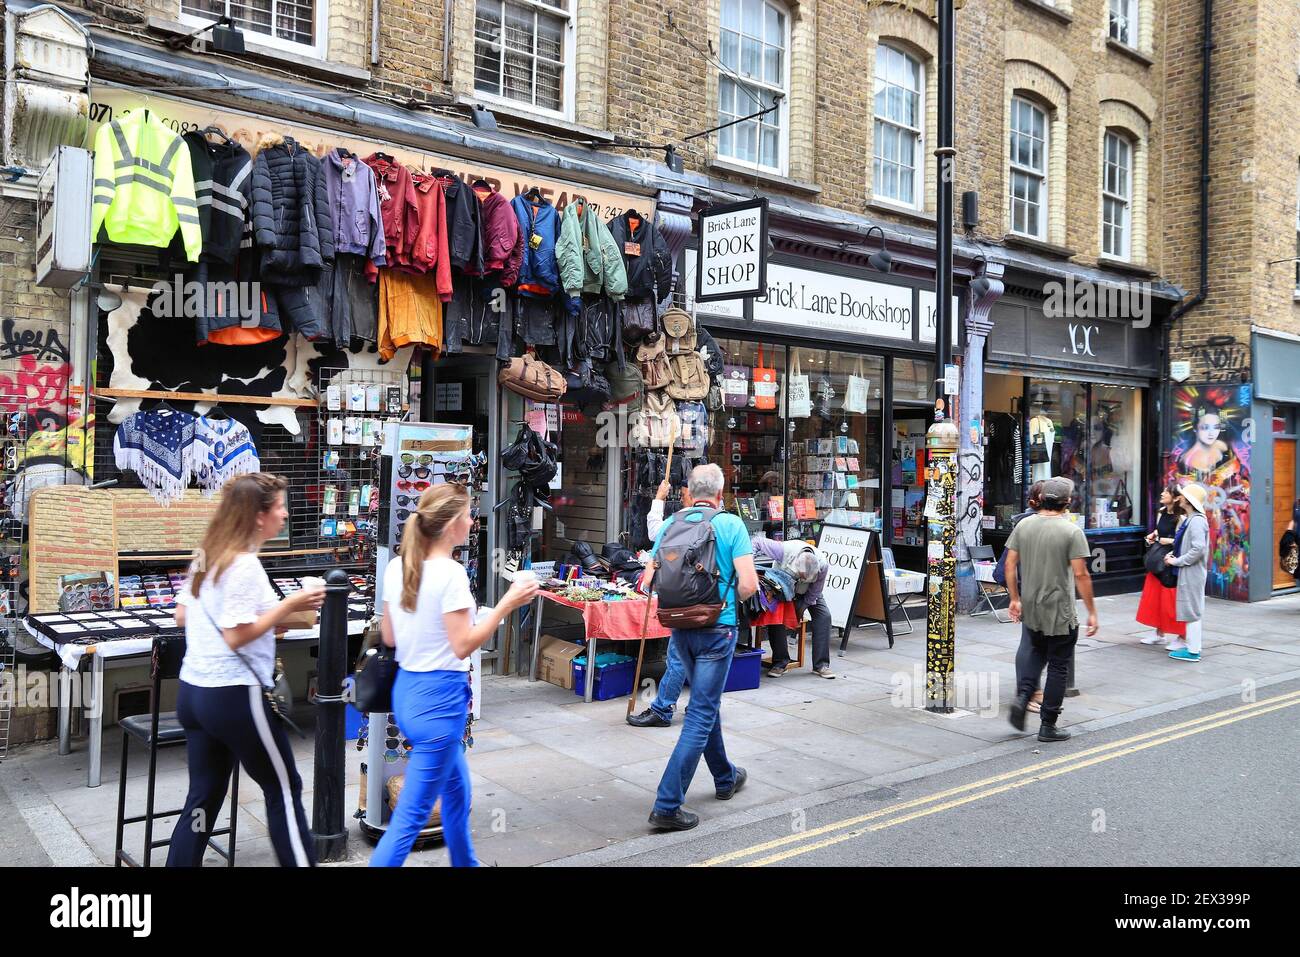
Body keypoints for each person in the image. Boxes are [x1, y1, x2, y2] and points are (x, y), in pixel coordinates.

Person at [371, 482, 539, 867]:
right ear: (451, 526)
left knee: (457, 793)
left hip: (409, 693)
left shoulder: (399, 567)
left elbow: (391, 635)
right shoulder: (450, 573)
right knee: (410, 819)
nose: (472, 521)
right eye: (467, 515)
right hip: (439, 704)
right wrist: (506, 605)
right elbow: (464, 645)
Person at [168, 474, 326, 867]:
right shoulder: (244, 564)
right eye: (279, 508)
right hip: (233, 694)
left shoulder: (210, 553)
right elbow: (235, 636)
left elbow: (182, 616)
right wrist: (291, 605)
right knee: (284, 789)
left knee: (202, 797)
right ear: (258, 516)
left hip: (194, 691)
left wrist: (270, 620)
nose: (286, 514)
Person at [647, 464, 759, 831]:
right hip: (717, 630)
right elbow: (749, 584)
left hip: (680, 627)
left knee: (704, 707)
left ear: (689, 492)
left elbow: (649, 579)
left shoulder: (670, 525)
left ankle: (725, 777)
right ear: (720, 493)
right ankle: (667, 804)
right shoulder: (730, 524)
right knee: (700, 713)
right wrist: (728, 600)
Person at [1004, 476, 1098, 743]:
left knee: (1036, 651)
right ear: (1067, 502)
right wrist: (1092, 611)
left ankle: (1024, 695)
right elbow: (1081, 575)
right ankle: (1048, 725)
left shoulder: (1024, 525)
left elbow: (1010, 565)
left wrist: (1014, 598)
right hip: (1060, 609)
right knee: (1058, 666)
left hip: (1031, 605)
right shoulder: (1071, 531)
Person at [628, 480, 693, 728]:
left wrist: (659, 498)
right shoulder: (725, 521)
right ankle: (701, 706)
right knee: (697, 656)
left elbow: (655, 533)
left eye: (685, 493)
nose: (683, 496)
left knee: (678, 657)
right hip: (714, 604)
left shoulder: (680, 520)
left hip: (685, 599)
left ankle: (664, 708)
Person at [750, 535, 833, 678]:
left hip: (809, 591)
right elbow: (756, 541)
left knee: (824, 616)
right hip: (782, 585)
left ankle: (821, 665)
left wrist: (800, 609)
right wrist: (748, 563)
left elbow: (814, 593)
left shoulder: (823, 565)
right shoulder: (784, 550)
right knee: (776, 617)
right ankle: (780, 662)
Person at [1136, 483, 1186, 647]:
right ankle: (1159, 633)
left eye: (1167, 492)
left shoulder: (1182, 517)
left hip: (1172, 560)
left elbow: (1184, 540)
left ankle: (1182, 637)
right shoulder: (1161, 512)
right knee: (1155, 597)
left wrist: (1169, 541)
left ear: (1176, 498)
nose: (1163, 493)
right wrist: (1154, 534)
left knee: (1171, 600)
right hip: (1158, 558)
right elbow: (1160, 530)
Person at [1164, 484, 1210, 663]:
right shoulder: (1191, 519)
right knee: (1191, 609)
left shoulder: (1197, 520)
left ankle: (1193, 651)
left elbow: (1198, 548)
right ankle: (1192, 647)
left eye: (1182, 496)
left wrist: (1177, 561)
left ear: (1189, 501)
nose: (1179, 498)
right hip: (1189, 571)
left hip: (1192, 572)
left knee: (1192, 610)